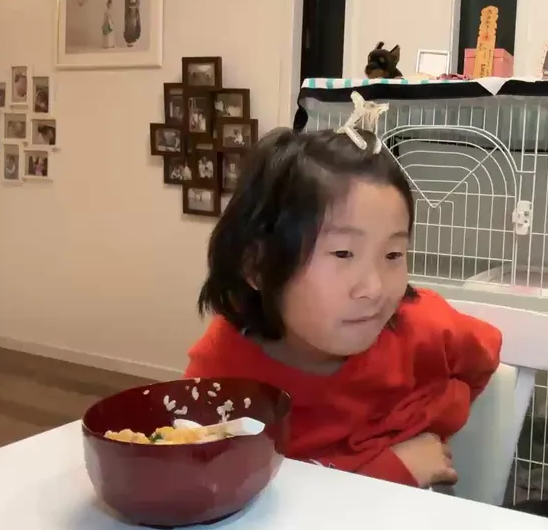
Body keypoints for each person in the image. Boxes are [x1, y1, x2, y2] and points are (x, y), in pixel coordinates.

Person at [185, 122, 503, 490]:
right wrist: (390, 470)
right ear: (258, 266)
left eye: (394, 254)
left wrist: (433, 426)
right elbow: (212, 489)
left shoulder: (424, 327)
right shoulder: (221, 378)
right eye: (343, 253)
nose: (375, 288)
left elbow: (484, 355)